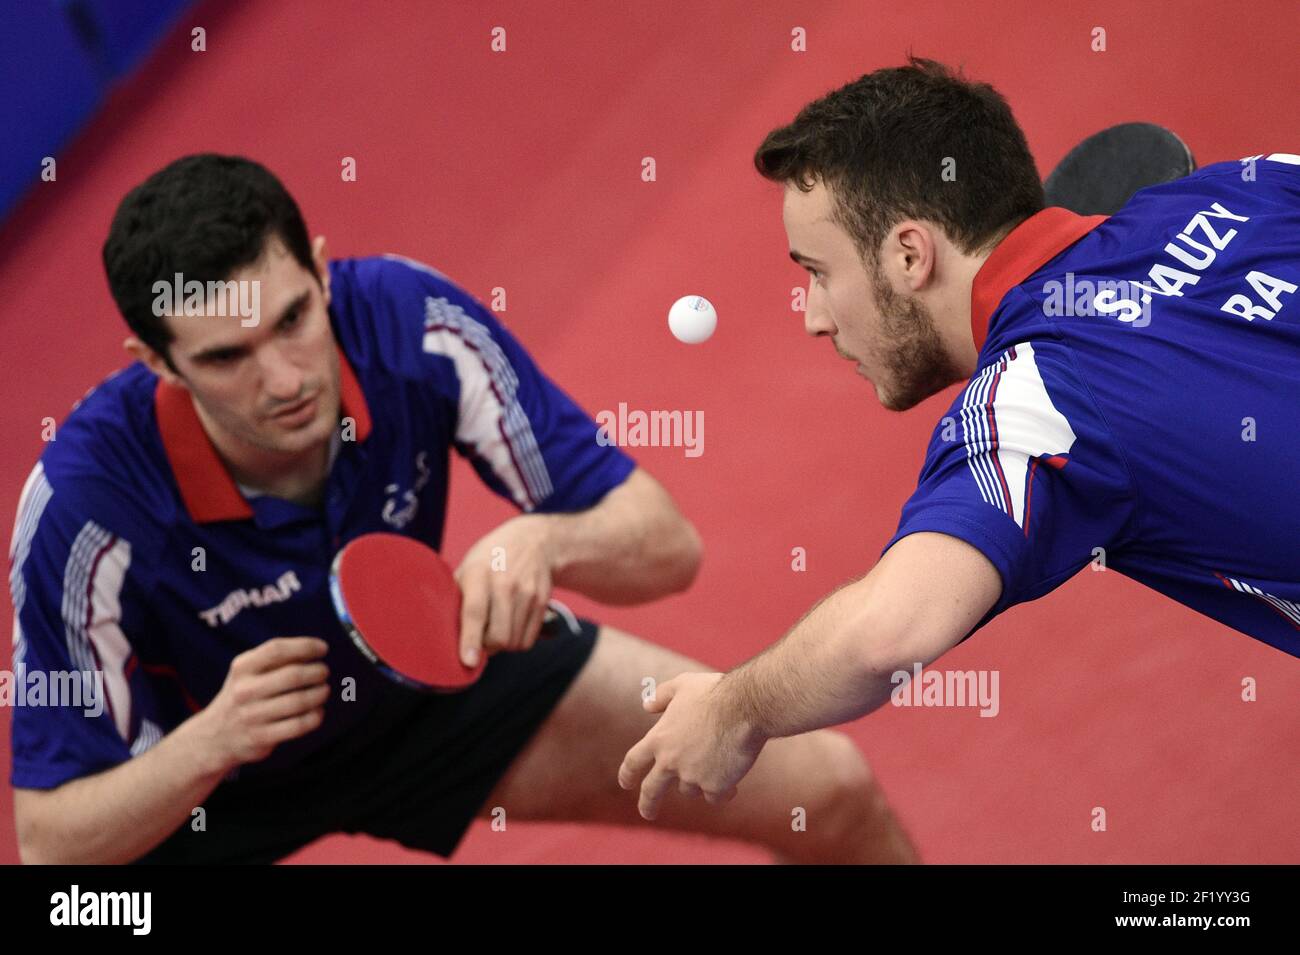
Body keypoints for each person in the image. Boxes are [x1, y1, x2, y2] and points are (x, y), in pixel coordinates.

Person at [7, 154, 918, 864]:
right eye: (226, 357)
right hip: (206, 788)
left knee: (828, 790)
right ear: (157, 362)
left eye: (293, 319)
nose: (284, 378)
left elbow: (666, 547)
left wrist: (548, 539)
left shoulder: (411, 325)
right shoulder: (88, 505)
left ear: (320, 272)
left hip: (428, 691)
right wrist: (210, 742)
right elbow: (51, 840)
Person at [619, 56, 1300, 820]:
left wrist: (731, 709)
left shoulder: (1037, 398)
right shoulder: (1257, 182)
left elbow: (889, 630)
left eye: (817, 271)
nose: (813, 315)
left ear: (910, 256)